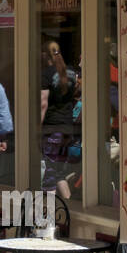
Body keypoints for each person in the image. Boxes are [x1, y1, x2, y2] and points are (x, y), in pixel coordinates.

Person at [40, 39, 80, 199]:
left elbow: (43, 104)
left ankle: (50, 216)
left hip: (52, 129)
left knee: (49, 173)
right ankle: (68, 209)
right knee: (59, 172)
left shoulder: (47, 74)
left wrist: (37, 127)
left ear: (45, 55)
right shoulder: (70, 71)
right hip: (67, 128)